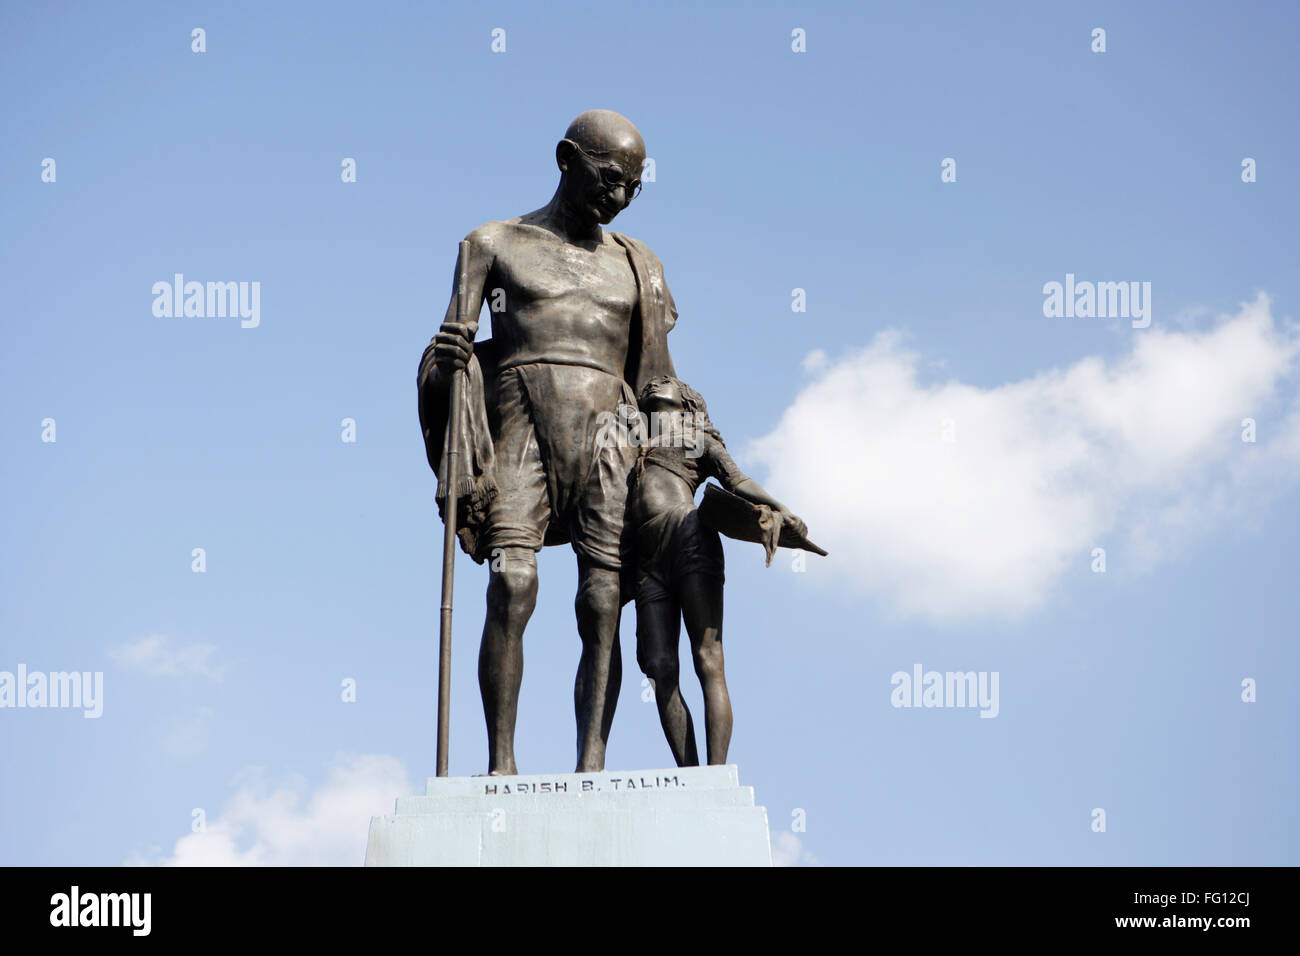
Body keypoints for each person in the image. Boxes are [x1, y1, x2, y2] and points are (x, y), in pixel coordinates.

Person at [420, 110, 677, 774]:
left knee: (602, 602)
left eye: (634, 187)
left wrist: (701, 471)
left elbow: (657, 383)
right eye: (609, 178)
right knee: (512, 582)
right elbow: (455, 351)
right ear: (567, 158)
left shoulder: (637, 263)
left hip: (610, 436)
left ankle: (590, 764)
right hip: (519, 420)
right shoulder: (491, 244)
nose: (618, 198)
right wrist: (444, 364)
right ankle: (500, 765)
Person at [627, 375, 808, 766]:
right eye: (650, 393)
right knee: (659, 667)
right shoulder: (629, 444)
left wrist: (782, 509)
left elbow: (737, 480)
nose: (656, 385)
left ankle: (715, 773)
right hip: (647, 557)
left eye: (666, 387)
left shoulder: (696, 438)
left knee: (707, 657)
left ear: (687, 404)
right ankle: (690, 774)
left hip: (689, 536)